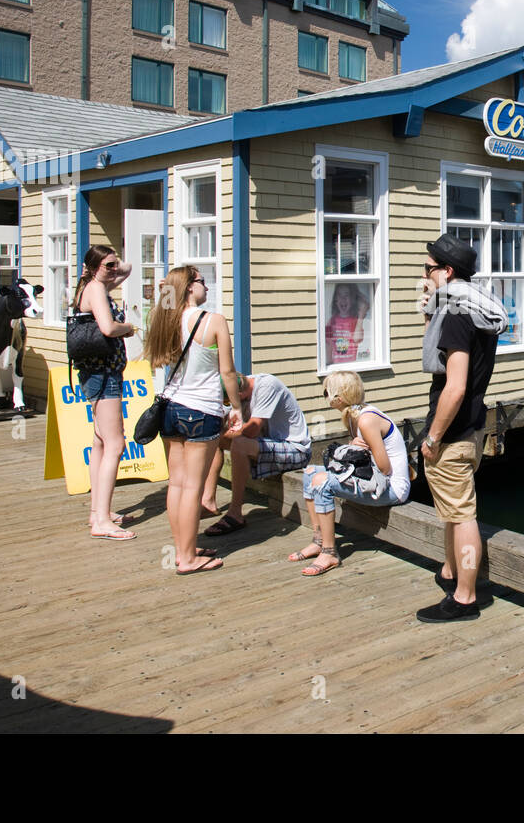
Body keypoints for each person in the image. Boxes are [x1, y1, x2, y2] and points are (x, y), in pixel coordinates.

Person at [415, 233, 505, 623]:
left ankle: (466, 598)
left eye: (428, 268)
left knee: (463, 514)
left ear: (447, 271)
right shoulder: (473, 308)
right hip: (472, 425)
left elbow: (454, 387)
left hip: (452, 431)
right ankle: (451, 572)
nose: (423, 274)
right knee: (453, 510)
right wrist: (428, 309)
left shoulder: (455, 314)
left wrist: (432, 436)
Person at [143, 266, 243, 574]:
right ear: (189, 287)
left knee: (177, 484)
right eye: (202, 281)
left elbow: (160, 303)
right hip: (202, 410)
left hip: (171, 408)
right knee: (192, 488)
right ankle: (187, 558)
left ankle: (183, 548)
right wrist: (236, 406)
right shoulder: (213, 321)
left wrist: (164, 291)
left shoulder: (164, 319)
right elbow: (228, 372)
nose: (207, 286)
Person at [292, 370, 411, 576]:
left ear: (339, 397)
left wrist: (358, 449)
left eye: (326, 393)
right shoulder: (353, 417)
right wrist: (353, 446)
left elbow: (384, 467)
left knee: (323, 482)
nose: (326, 398)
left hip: (391, 487)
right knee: (310, 472)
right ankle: (319, 540)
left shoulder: (366, 420)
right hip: (373, 480)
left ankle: (330, 552)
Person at [70, 245, 137, 541]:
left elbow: (129, 268)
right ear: (93, 267)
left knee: (99, 442)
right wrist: (130, 328)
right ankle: (102, 522)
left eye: (113, 265)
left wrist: (111, 264)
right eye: (108, 265)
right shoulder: (96, 288)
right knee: (115, 444)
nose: (114, 270)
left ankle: (99, 511)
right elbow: (108, 328)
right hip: (103, 373)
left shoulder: (92, 283)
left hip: (98, 372)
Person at [202, 372, 311, 536]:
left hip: (295, 449)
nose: (229, 405)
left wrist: (229, 432)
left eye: (229, 401)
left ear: (237, 394)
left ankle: (235, 513)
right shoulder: (237, 385)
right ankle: (208, 501)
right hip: (268, 445)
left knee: (240, 443)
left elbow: (252, 430)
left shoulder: (267, 386)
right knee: (214, 438)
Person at [324, 283, 370, 365]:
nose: (343, 298)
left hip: (350, 364)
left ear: (352, 299)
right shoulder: (332, 321)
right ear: (335, 300)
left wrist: (361, 315)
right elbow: (328, 343)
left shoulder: (354, 320)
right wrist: (328, 363)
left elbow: (357, 339)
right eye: (339, 295)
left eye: (346, 295)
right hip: (335, 365)